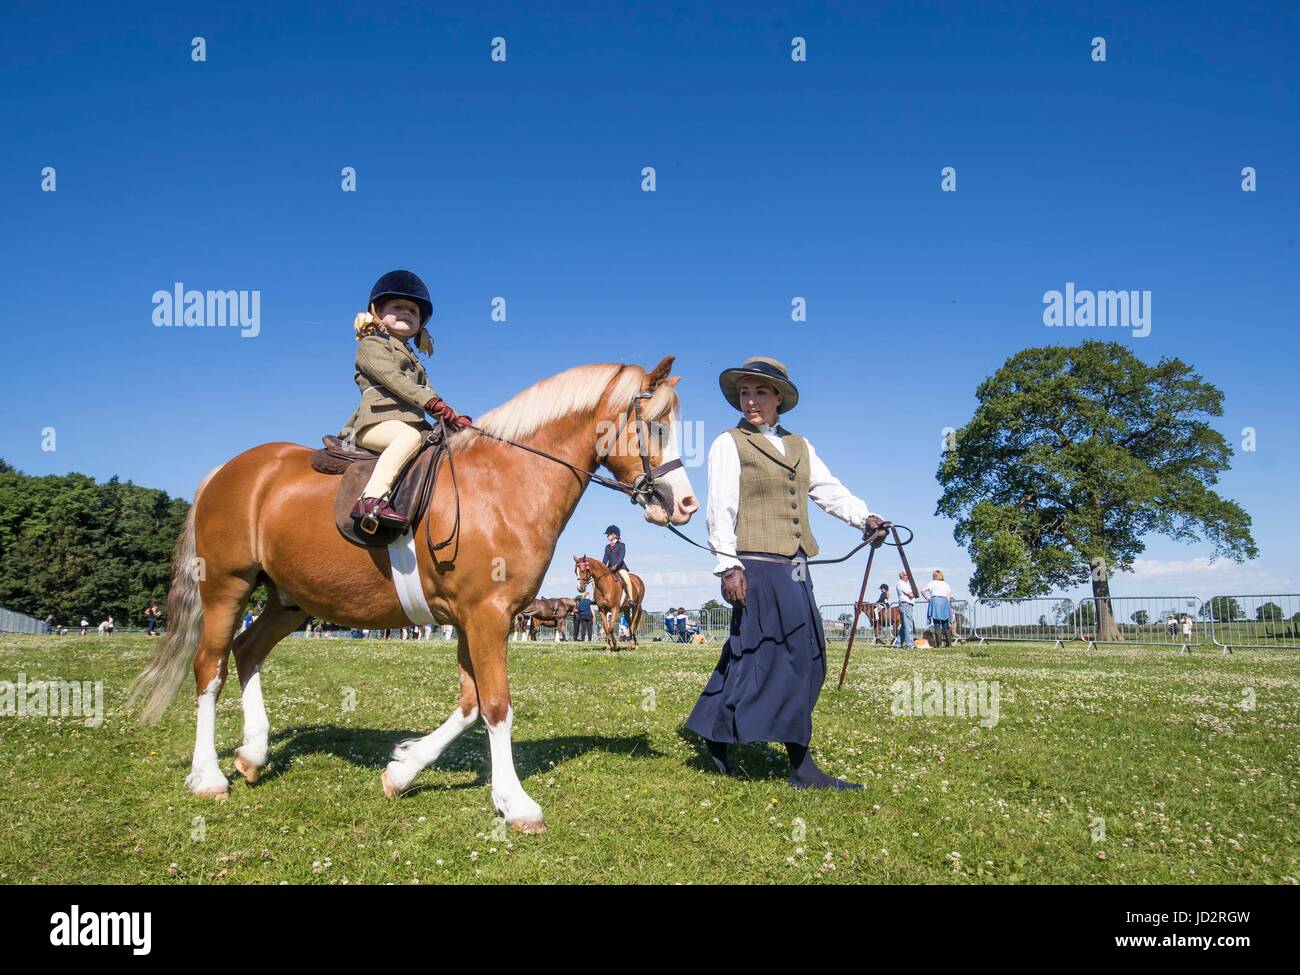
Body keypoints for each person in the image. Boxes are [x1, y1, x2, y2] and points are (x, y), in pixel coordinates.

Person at [685, 357, 889, 791]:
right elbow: (720, 507)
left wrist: (865, 518)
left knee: (788, 654)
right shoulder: (728, 443)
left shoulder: (800, 445)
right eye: (744, 392)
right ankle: (802, 767)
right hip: (756, 565)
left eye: (760, 392)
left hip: (797, 566)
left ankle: (714, 730)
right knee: (783, 656)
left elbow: (829, 491)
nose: (751, 400)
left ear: (779, 397)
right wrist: (727, 566)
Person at [341, 270, 473, 533]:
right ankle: (371, 500)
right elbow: (395, 381)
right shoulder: (372, 346)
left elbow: (429, 391)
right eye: (398, 307)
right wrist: (433, 405)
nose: (407, 313)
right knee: (408, 439)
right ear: (378, 311)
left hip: (409, 422)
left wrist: (455, 416)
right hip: (376, 424)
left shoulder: (414, 360)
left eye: (413, 311)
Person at [922, 570, 953, 647]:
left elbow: (923, 590)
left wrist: (928, 598)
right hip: (944, 602)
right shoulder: (945, 584)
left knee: (936, 623)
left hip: (935, 601)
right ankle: (948, 643)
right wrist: (948, 605)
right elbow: (949, 595)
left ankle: (939, 644)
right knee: (945, 623)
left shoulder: (931, 583)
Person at [895, 571, 916, 648]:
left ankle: (898, 643)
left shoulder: (905, 584)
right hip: (906, 605)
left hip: (906, 605)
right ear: (901, 576)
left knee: (904, 626)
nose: (907, 576)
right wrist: (915, 593)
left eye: (908, 575)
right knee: (908, 626)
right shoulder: (901, 583)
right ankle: (909, 644)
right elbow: (911, 595)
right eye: (905, 575)